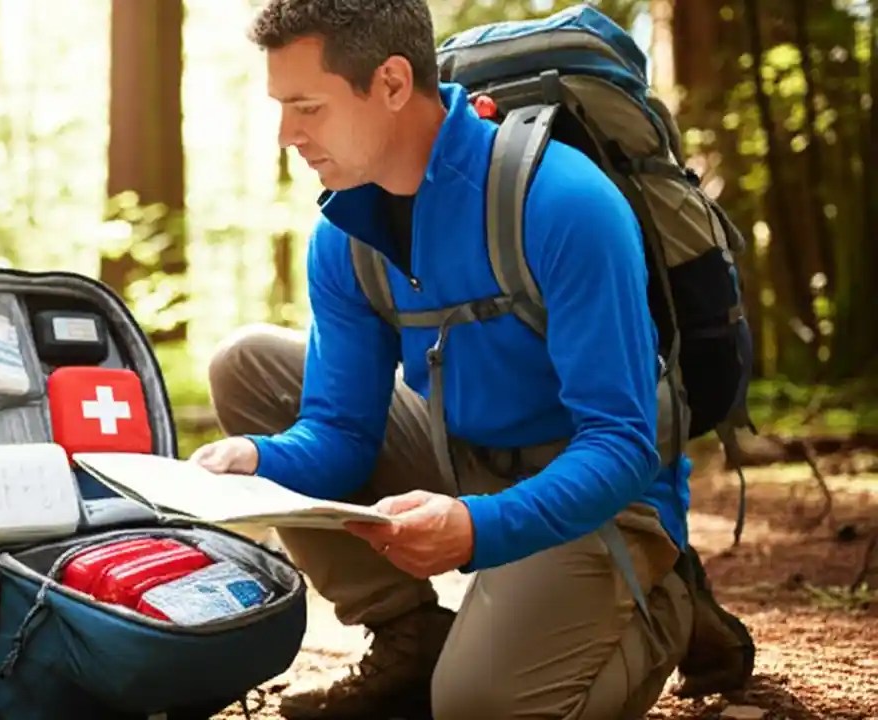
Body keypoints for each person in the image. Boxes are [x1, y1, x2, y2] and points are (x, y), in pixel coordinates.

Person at [187, 1, 756, 718]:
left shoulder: (564, 203)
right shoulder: (344, 234)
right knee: (247, 362)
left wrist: (478, 528)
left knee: (475, 707)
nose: (285, 135)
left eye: (307, 107)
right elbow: (339, 436)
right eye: (281, 107)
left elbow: (620, 444)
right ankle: (410, 636)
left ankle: (665, 601)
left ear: (392, 83)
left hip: (603, 493)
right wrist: (255, 463)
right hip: (460, 456)